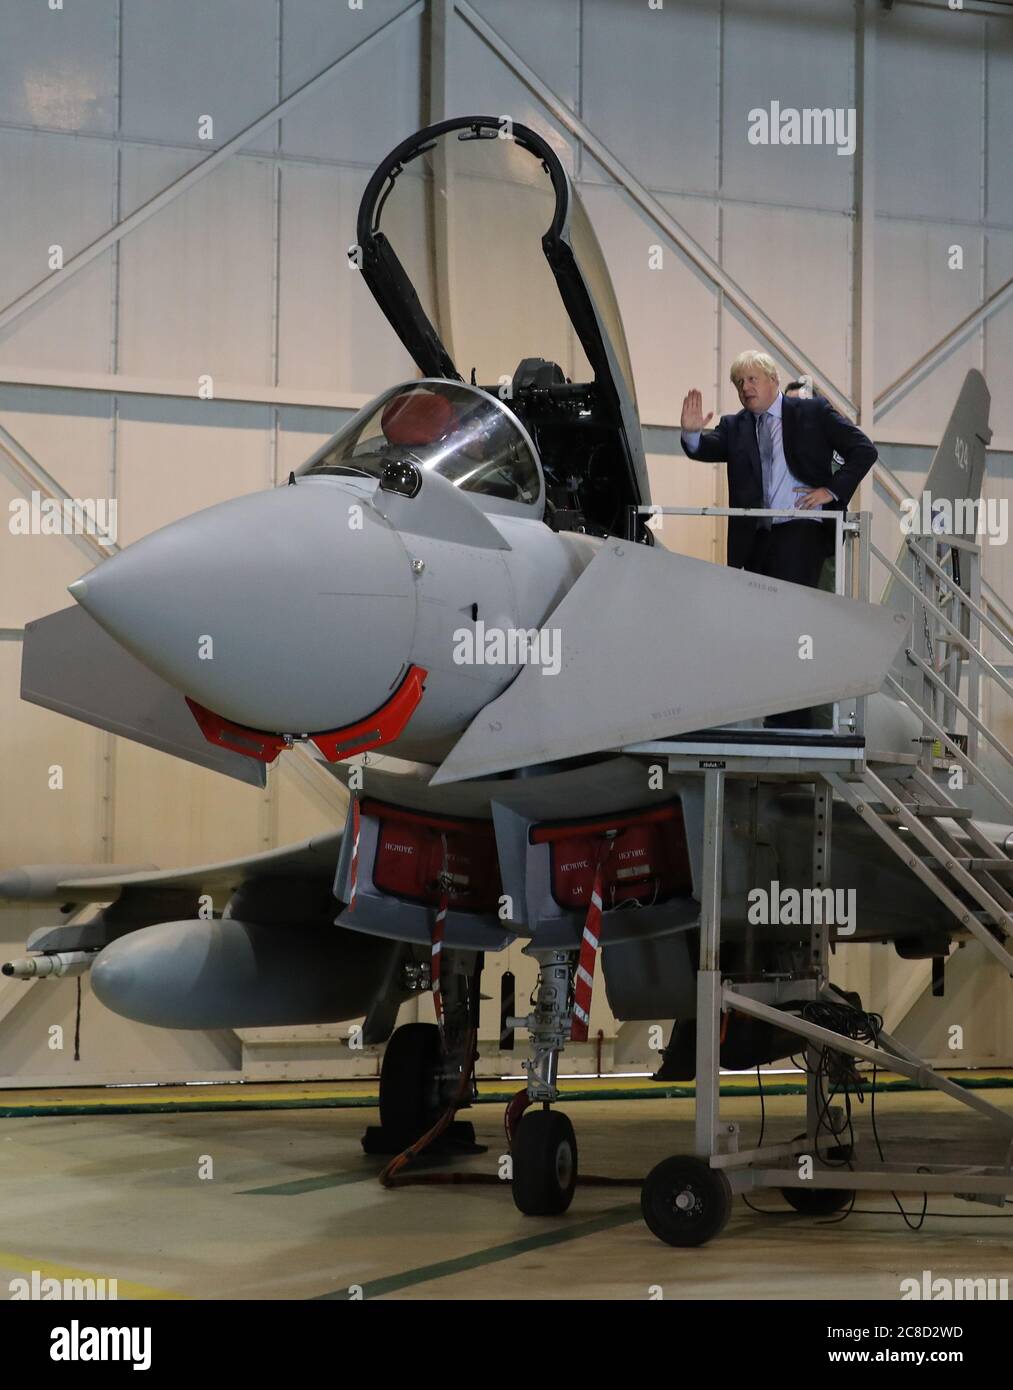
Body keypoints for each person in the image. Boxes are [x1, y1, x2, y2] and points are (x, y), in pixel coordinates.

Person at [680, 350, 877, 727]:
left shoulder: (812, 413)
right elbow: (706, 448)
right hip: (756, 538)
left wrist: (830, 492)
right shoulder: (735, 425)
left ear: (773, 380)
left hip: (800, 531)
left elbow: (863, 450)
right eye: (740, 383)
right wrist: (691, 433)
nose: (746, 388)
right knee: (758, 627)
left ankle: (793, 720)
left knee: (791, 625)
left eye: (753, 379)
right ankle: (763, 715)